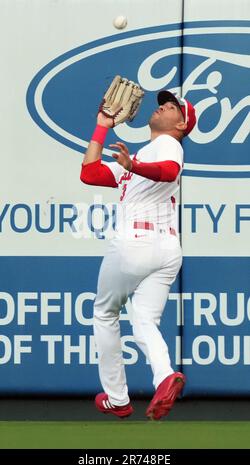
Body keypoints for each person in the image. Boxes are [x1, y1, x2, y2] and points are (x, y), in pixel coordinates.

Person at [80, 89, 196, 420]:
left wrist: (134, 164)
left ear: (182, 123)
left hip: (136, 242)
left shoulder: (168, 145)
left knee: (104, 313)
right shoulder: (142, 155)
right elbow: (89, 174)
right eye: (162, 103)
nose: (162, 106)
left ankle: (117, 397)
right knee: (144, 319)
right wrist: (102, 126)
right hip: (167, 250)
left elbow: (169, 171)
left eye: (172, 106)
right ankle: (164, 377)